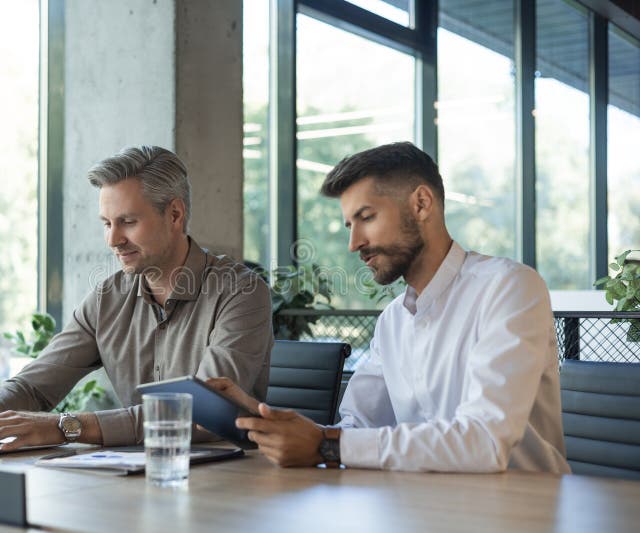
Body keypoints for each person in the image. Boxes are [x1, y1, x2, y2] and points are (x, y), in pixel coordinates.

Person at [211, 142, 570, 474]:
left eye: (366, 217)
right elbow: (354, 431)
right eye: (350, 225)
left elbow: (485, 441)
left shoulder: (508, 287)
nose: (354, 244)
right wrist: (257, 418)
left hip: (520, 514)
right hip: (428, 510)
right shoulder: (394, 320)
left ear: (421, 203)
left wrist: (328, 446)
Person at [0, 145, 273, 450]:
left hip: (226, 483)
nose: (113, 239)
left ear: (174, 215)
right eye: (106, 223)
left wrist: (67, 426)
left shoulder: (241, 293)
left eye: (128, 222)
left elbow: (201, 414)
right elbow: (34, 387)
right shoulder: (107, 299)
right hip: (133, 479)